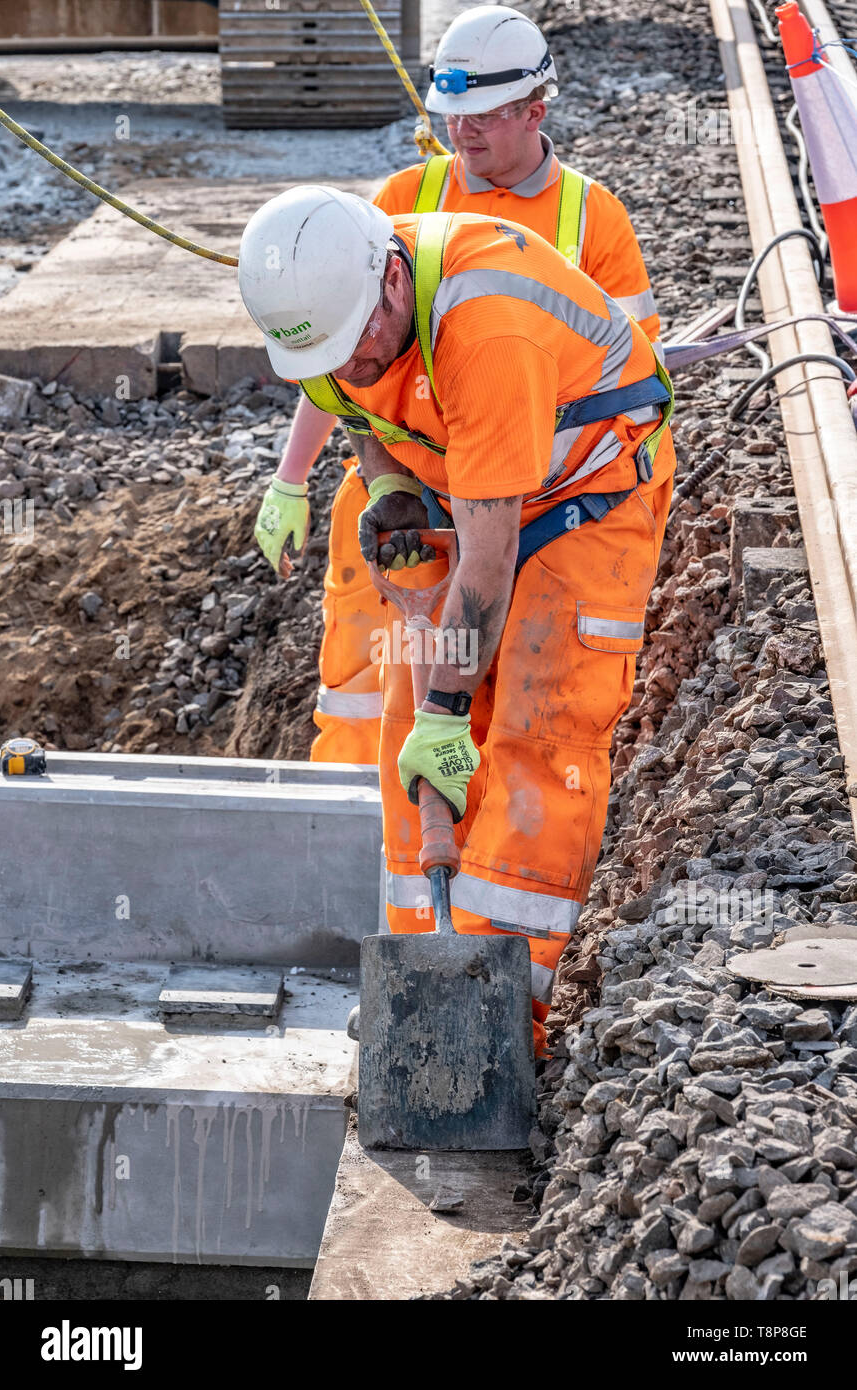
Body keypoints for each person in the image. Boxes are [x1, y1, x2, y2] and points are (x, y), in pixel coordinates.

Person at [238, 185, 675, 1056]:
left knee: (538, 733)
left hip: (586, 494)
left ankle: (502, 1018)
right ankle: (415, 979)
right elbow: (360, 408)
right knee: (410, 724)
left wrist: (451, 710)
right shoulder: (330, 316)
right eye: (327, 358)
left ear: (394, 282)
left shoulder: (489, 326)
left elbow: (488, 556)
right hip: (456, 476)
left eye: (358, 344)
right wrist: (390, 479)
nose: (350, 366)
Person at [253, 5, 661, 764]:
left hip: (525, 490)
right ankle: (350, 818)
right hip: (404, 478)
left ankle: (459, 812)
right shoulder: (405, 196)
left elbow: (631, 364)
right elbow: (338, 362)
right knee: (364, 676)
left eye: (482, 119)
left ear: (536, 109)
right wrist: (291, 478)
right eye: (450, 118)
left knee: (501, 681)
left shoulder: (591, 217)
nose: (461, 135)